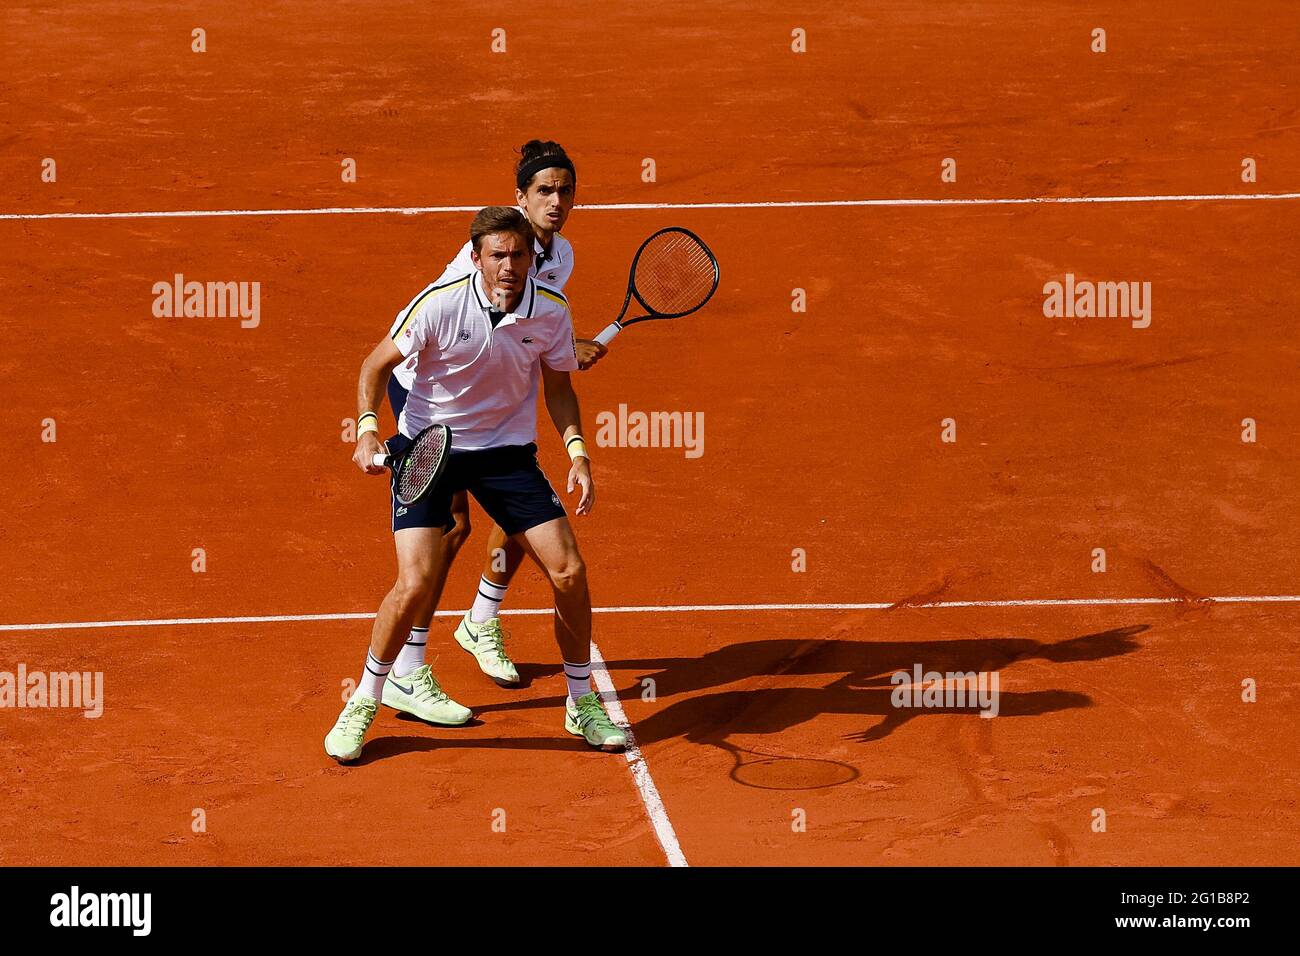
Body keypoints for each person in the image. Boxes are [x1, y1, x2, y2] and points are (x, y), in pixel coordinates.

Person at [325, 206, 626, 763]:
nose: (509, 265)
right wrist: (369, 430)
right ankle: (366, 699)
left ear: (531, 257)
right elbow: (375, 365)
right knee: (414, 581)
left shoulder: (551, 311)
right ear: (476, 258)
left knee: (569, 571)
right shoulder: (441, 303)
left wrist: (579, 452)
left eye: (517, 254)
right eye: (497, 255)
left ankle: (581, 700)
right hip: (429, 449)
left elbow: (559, 389)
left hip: (506, 455)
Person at [386, 140, 601, 690]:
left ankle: (480, 618)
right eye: (544, 191)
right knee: (452, 527)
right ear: (521, 197)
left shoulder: (563, 255)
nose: (557, 202)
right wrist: (565, 344)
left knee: (518, 509)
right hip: (430, 386)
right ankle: (409, 664)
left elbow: (532, 321)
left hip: (494, 392)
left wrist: (560, 347)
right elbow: (474, 318)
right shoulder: (484, 252)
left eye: (565, 191)